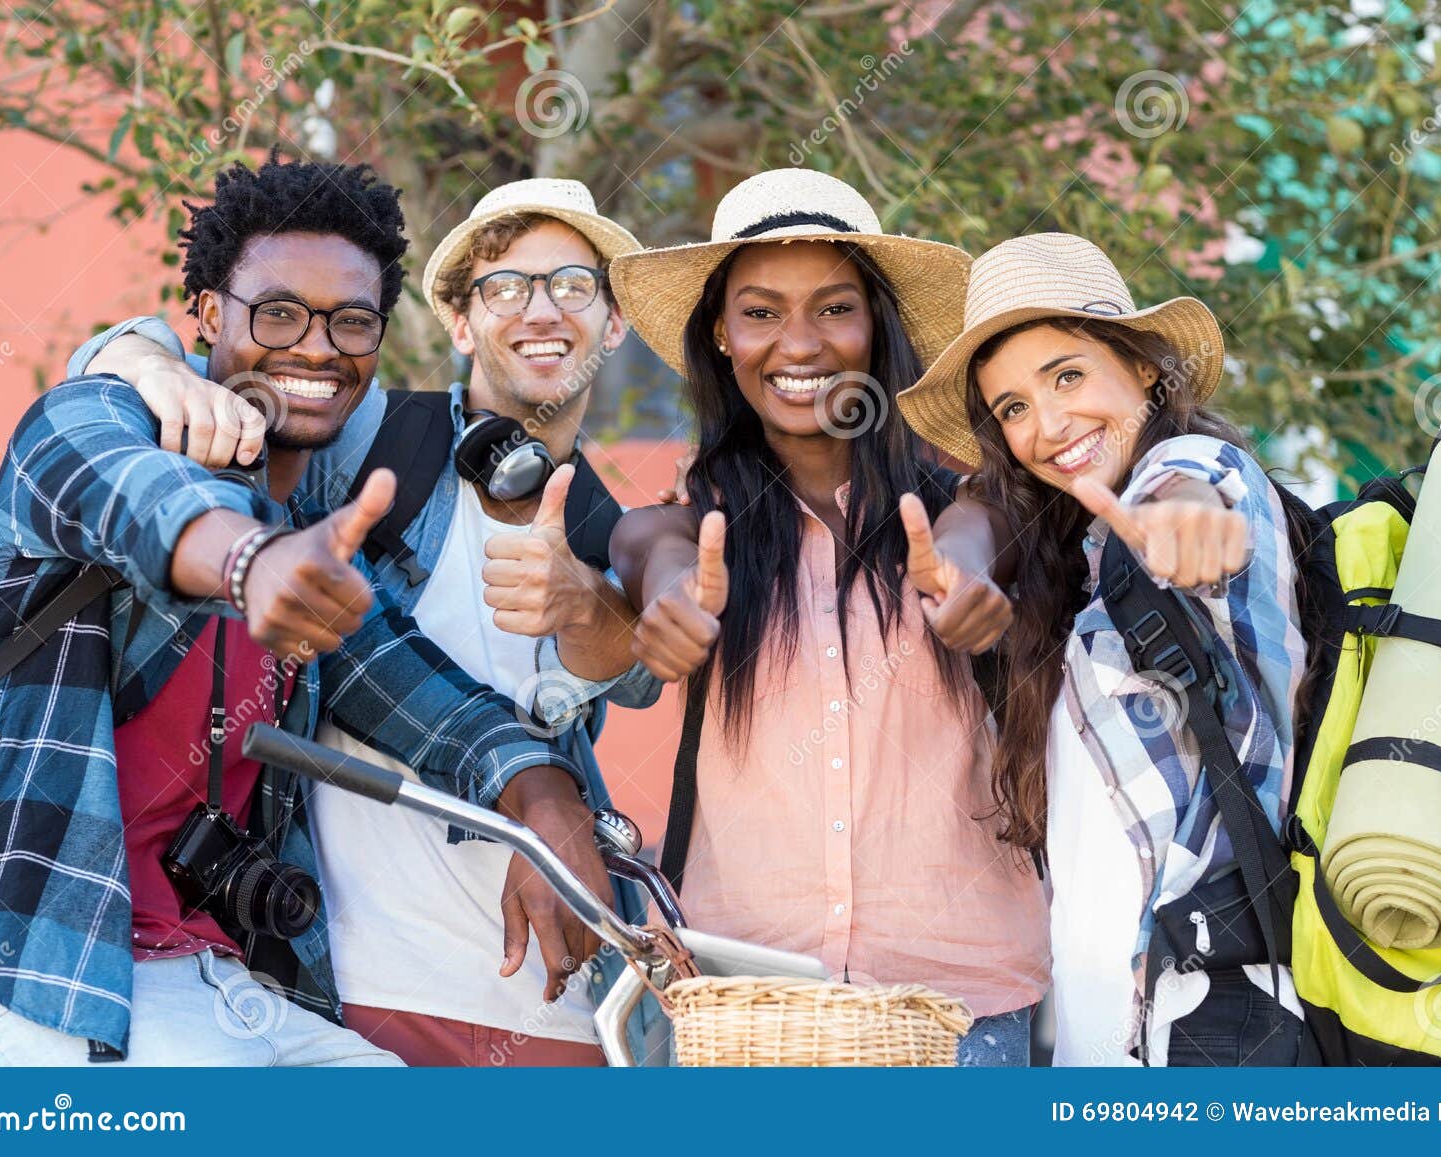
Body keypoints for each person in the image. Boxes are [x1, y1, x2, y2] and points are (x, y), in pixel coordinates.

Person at [0, 155, 596, 1066]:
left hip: (207, 981)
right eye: (277, 312)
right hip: (19, 981)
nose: (317, 347)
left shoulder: (308, 533)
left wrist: (547, 800)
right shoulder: (90, 417)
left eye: (351, 322)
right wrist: (251, 562)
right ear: (208, 314)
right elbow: (131, 497)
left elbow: (430, 701)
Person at [66, 179, 660, 1066]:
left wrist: (548, 777)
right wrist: (138, 353)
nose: (543, 311)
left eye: (575, 285)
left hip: (548, 999)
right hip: (327, 980)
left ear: (615, 325)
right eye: (506, 286)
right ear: (458, 324)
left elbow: (625, 671)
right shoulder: (360, 433)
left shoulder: (610, 531)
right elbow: (134, 418)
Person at [607, 169, 1051, 1067]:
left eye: (835, 308)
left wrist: (962, 580)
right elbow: (645, 550)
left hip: (960, 1017)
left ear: (878, 330)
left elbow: (975, 533)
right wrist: (668, 600)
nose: (799, 343)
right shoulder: (687, 532)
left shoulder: (971, 510)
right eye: (761, 312)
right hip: (743, 1011)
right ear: (722, 339)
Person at [897, 231, 1309, 1066]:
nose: (1047, 424)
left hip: (1208, 1019)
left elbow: (1196, 487)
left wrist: (1186, 523)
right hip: (1109, 1030)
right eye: (1011, 407)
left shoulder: (1196, 465)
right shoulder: (1084, 567)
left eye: (1068, 375)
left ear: (1147, 368)